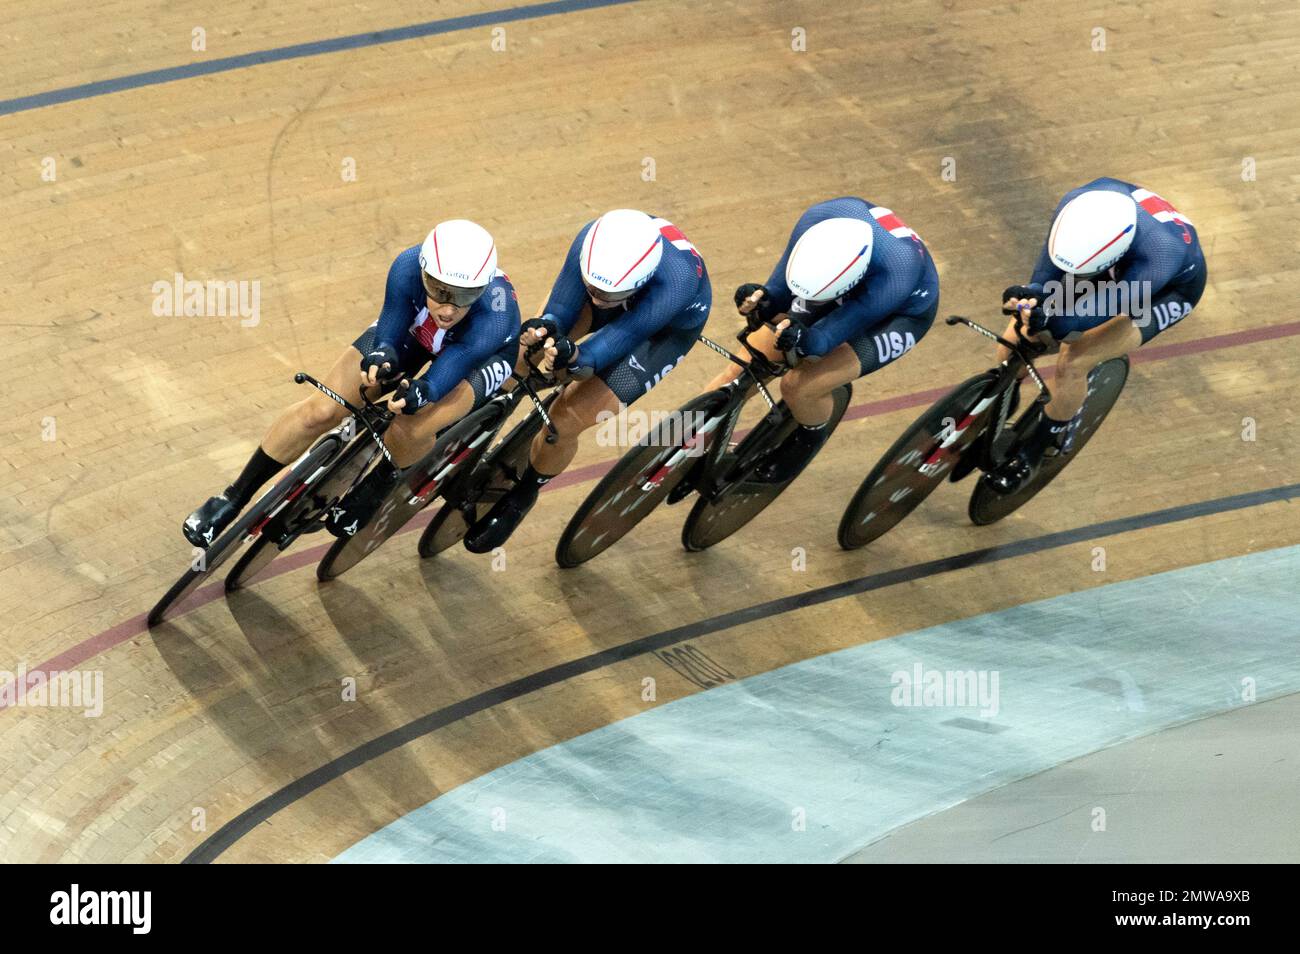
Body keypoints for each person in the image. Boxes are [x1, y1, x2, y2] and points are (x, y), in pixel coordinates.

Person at [182, 218, 520, 547]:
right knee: (320, 410)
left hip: (477, 356)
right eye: (440, 291)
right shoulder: (406, 265)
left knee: (411, 427)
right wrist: (383, 353)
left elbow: (458, 358)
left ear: (484, 287)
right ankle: (233, 497)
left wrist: (424, 390)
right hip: (418, 333)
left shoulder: (497, 308)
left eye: (465, 295)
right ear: (423, 271)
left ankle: (380, 482)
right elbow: (393, 320)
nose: (449, 308)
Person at [463, 208, 711, 552]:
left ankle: (522, 495)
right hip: (621, 298)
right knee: (520, 358)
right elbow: (561, 308)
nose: (595, 297)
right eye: (591, 287)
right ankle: (476, 426)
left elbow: (611, 346)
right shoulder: (591, 238)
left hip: (662, 330)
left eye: (603, 294)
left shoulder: (678, 282)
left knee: (567, 419)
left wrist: (574, 357)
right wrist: (547, 327)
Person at [989, 177, 1207, 494]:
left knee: (1074, 359)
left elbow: (1084, 318)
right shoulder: (1076, 202)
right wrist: (1033, 296)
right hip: (1113, 259)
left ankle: (1035, 452)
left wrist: (1053, 317)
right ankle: (1004, 400)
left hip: (1165, 290)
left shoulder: (1162, 253)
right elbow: (1046, 276)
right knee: (1018, 335)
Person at [707, 196, 940, 483]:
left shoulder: (899, 271)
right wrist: (760, 300)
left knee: (800, 385)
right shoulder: (819, 217)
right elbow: (779, 290)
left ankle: (807, 441)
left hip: (897, 314)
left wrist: (803, 338)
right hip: (836, 283)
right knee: (741, 369)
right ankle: (685, 446)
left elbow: (825, 339)